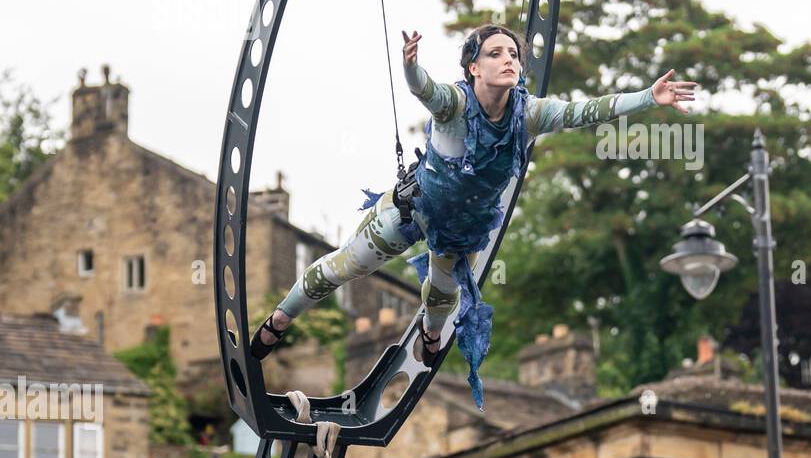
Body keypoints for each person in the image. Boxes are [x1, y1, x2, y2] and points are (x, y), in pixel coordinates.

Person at [252, 22, 697, 409]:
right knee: (341, 268)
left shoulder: (530, 114)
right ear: (473, 68)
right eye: (496, 53)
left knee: (440, 298)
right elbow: (422, 87)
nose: (509, 61)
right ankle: (281, 319)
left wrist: (648, 97)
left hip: (458, 231)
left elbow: (589, 111)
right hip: (412, 211)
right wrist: (410, 64)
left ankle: (429, 336)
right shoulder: (454, 105)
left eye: (514, 54)